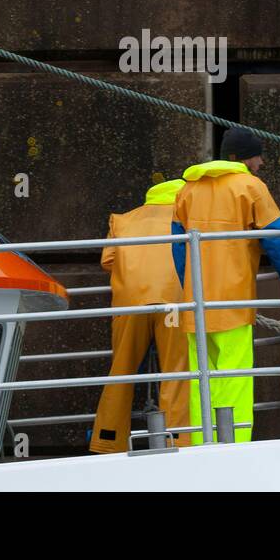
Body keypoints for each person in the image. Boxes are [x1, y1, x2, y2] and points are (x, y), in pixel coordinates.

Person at [171, 127, 280, 444]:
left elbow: (178, 248)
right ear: (246, 159)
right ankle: (234, 444)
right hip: (233, 301)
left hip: (196, 304)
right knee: (235, 374)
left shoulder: (187, 190)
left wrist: (189, 288)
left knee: (201, 378)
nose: (261, 162)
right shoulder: (251, 187)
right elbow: (277, 238)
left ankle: (201, 442)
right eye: (258, 156)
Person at [89, 178, 191, 453]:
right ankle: (178, 440)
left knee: (121, 371)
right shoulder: (186, 215)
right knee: (176, 372)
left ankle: (107, 440)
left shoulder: (122, 220)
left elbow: (107, 261)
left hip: (130, 303)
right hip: (174, 303)